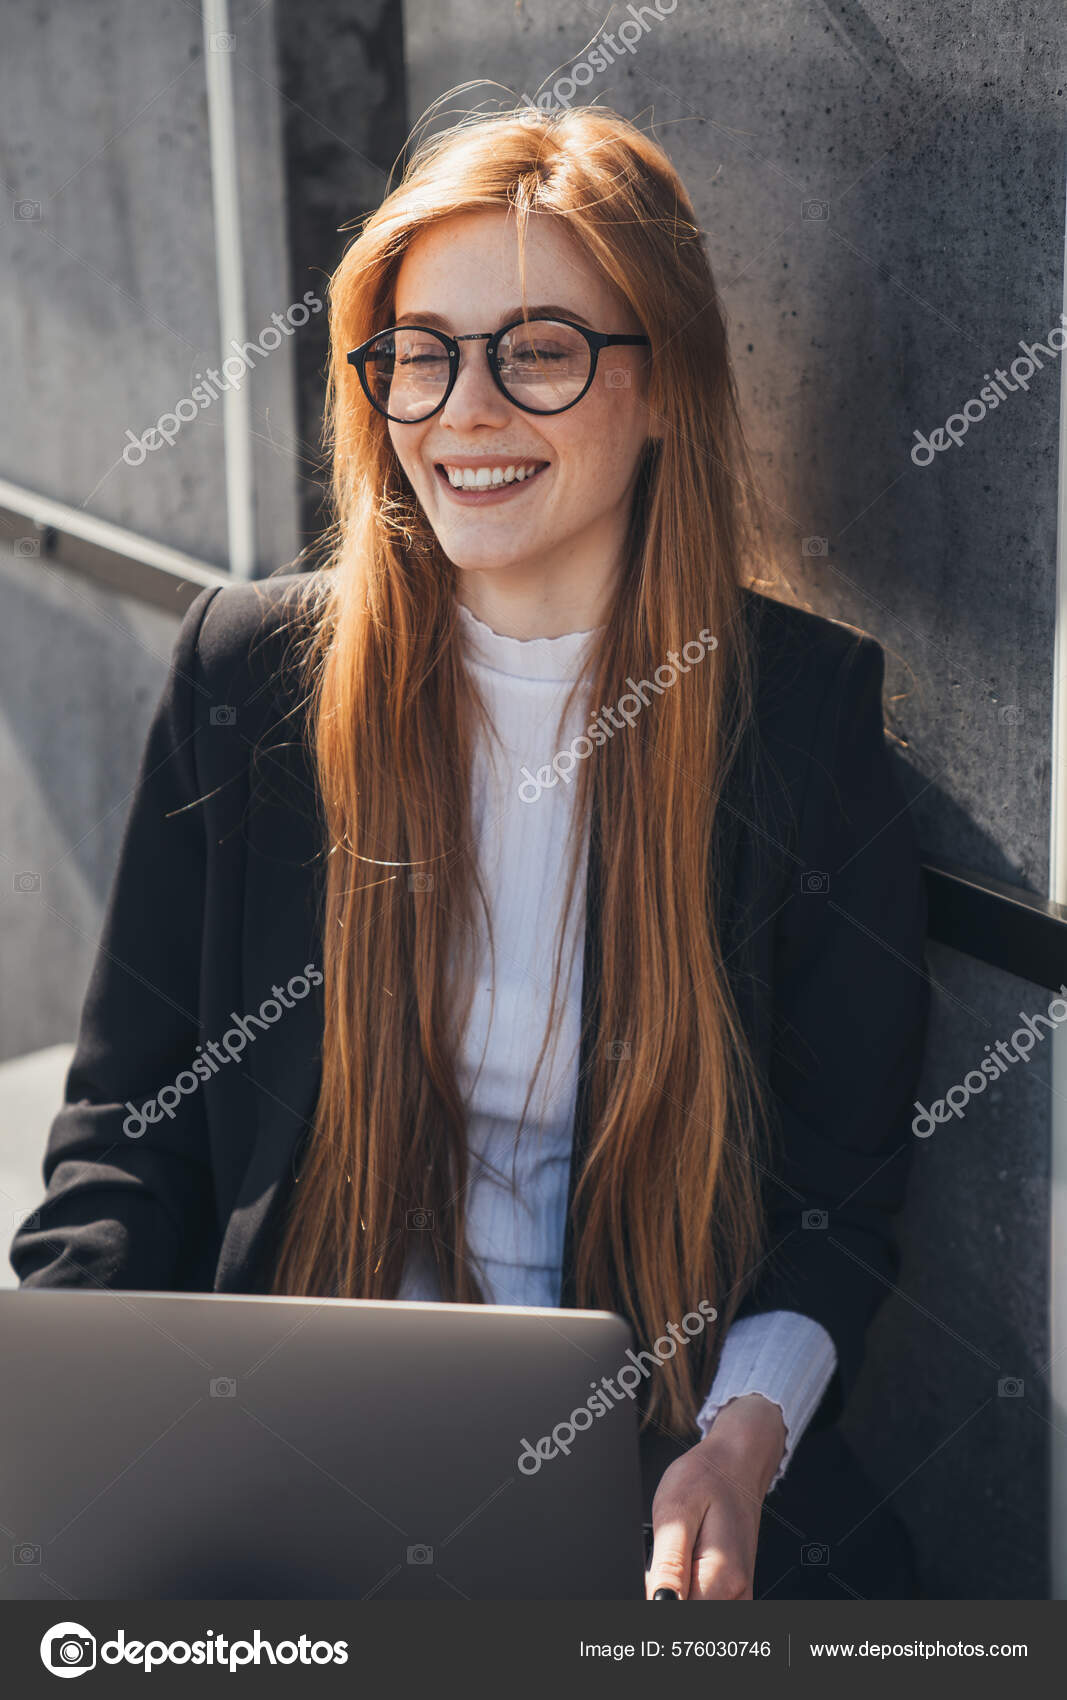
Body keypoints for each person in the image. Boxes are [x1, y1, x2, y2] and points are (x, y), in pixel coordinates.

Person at [9, 104, 929, 1601]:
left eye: (542, 348)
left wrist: (740, 1447)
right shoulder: (249, 678)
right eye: (420, 352)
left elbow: (839, 1203)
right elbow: (130, 1131)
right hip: (294, 1440)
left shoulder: (801, 720)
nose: (463, 410)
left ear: (666, 390)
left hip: (657, 1455)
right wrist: (56, 1440)